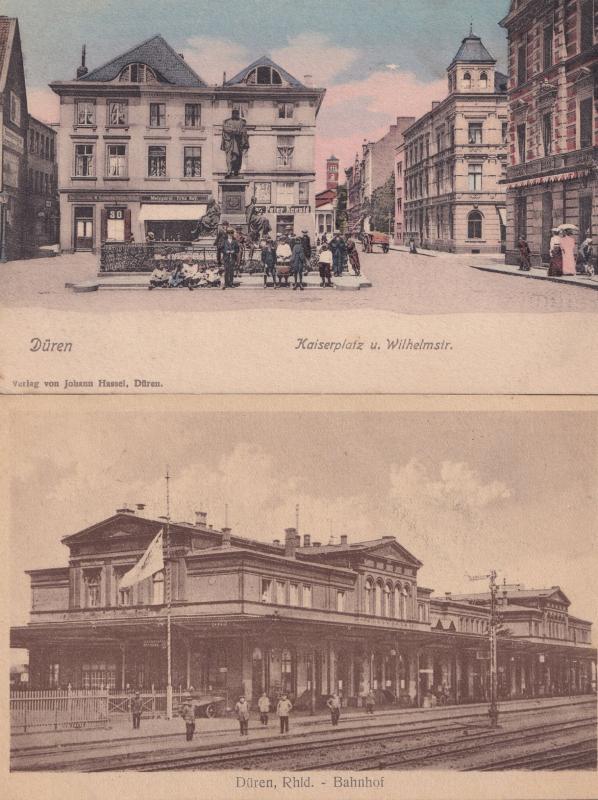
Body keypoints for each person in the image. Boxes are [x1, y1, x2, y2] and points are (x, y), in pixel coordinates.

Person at [221, 108, 249, 178]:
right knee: (229, 157)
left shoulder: (242, 122)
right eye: (234, 113)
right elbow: (225, 129)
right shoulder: (227, 121)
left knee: (238, 157)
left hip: (238, 142)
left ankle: (236, 171)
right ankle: (229, 171)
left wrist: (245, 142)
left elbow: (244, 132)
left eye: (236, 113)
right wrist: (235, 131)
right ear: (232, 114)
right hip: (229, 142)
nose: (235, 115)